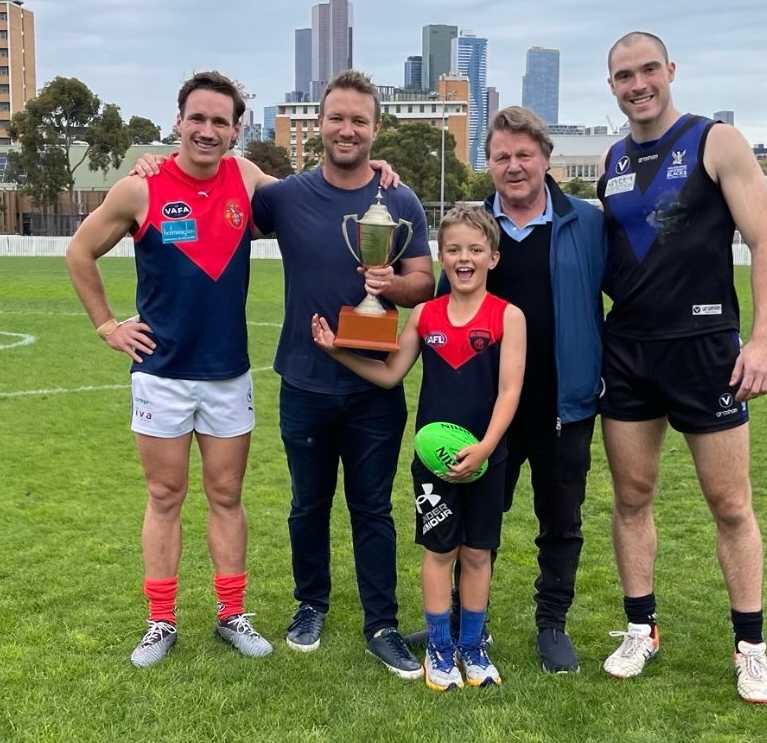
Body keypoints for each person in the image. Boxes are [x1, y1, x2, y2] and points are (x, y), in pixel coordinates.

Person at [128, 70, 415, 678]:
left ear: (374, 129)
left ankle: (381, 623)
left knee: (372, 508)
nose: (346, 129)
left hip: (373, 380)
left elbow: (426, 281)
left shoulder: (397, 199)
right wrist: (153, 166)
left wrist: (392, 282)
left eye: (359, 120)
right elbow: (206, 197)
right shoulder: (285, 195)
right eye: (336, 117)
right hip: (304, 379)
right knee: (307, 506)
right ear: (319, 123)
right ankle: (309, 606)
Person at [596, 32, 767, 703]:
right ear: (612, 85)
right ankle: (640, 628)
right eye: (624, 75)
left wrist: (762, 338)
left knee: (731, 503)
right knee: (631, 495)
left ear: (670, 70)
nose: (638, 83)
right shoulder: (611, 159)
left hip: (705, 347)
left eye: (648, 69)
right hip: (628, 352)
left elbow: (765, 240)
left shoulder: (716, 141)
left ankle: (751, 646)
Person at [66, 71, 277, 668]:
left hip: (228, 374)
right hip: (161, 373)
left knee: (227, 495)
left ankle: (231, 614)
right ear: (179, 121)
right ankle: (161, 622)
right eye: (198, 118)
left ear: (237, 130)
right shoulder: (141, 188)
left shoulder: (247, 178)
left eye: (220, 121)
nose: (208, 131)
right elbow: (80, 250)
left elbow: (315, 200)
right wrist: (108, 325)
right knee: (164, 495)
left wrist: (378, 179)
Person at [420, 106, 605, 673]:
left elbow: (628, 294)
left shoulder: (587, 224)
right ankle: (461, 622)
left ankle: (552, 624)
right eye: (501, 156)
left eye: (525, 155)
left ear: (546, 159)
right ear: (490, 164)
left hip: (561, 405)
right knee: (476, 523)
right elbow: (440, 311)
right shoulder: (474, 232)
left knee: (560, 520)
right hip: (483, 414)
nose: (514, 166)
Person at [312, 204, 526, 690]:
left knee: (477, 554)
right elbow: (389, 374)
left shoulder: (508, 317)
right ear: (441, 257)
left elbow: (511, 391)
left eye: (474, 249)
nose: (463, 258)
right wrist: (336, 350)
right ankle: (439, 646)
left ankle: (471, 646)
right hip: (433, 464)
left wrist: (486, 447)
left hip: (488, 460)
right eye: (453, 250)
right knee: (440, 552)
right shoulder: (425, 314)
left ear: (493, 257)